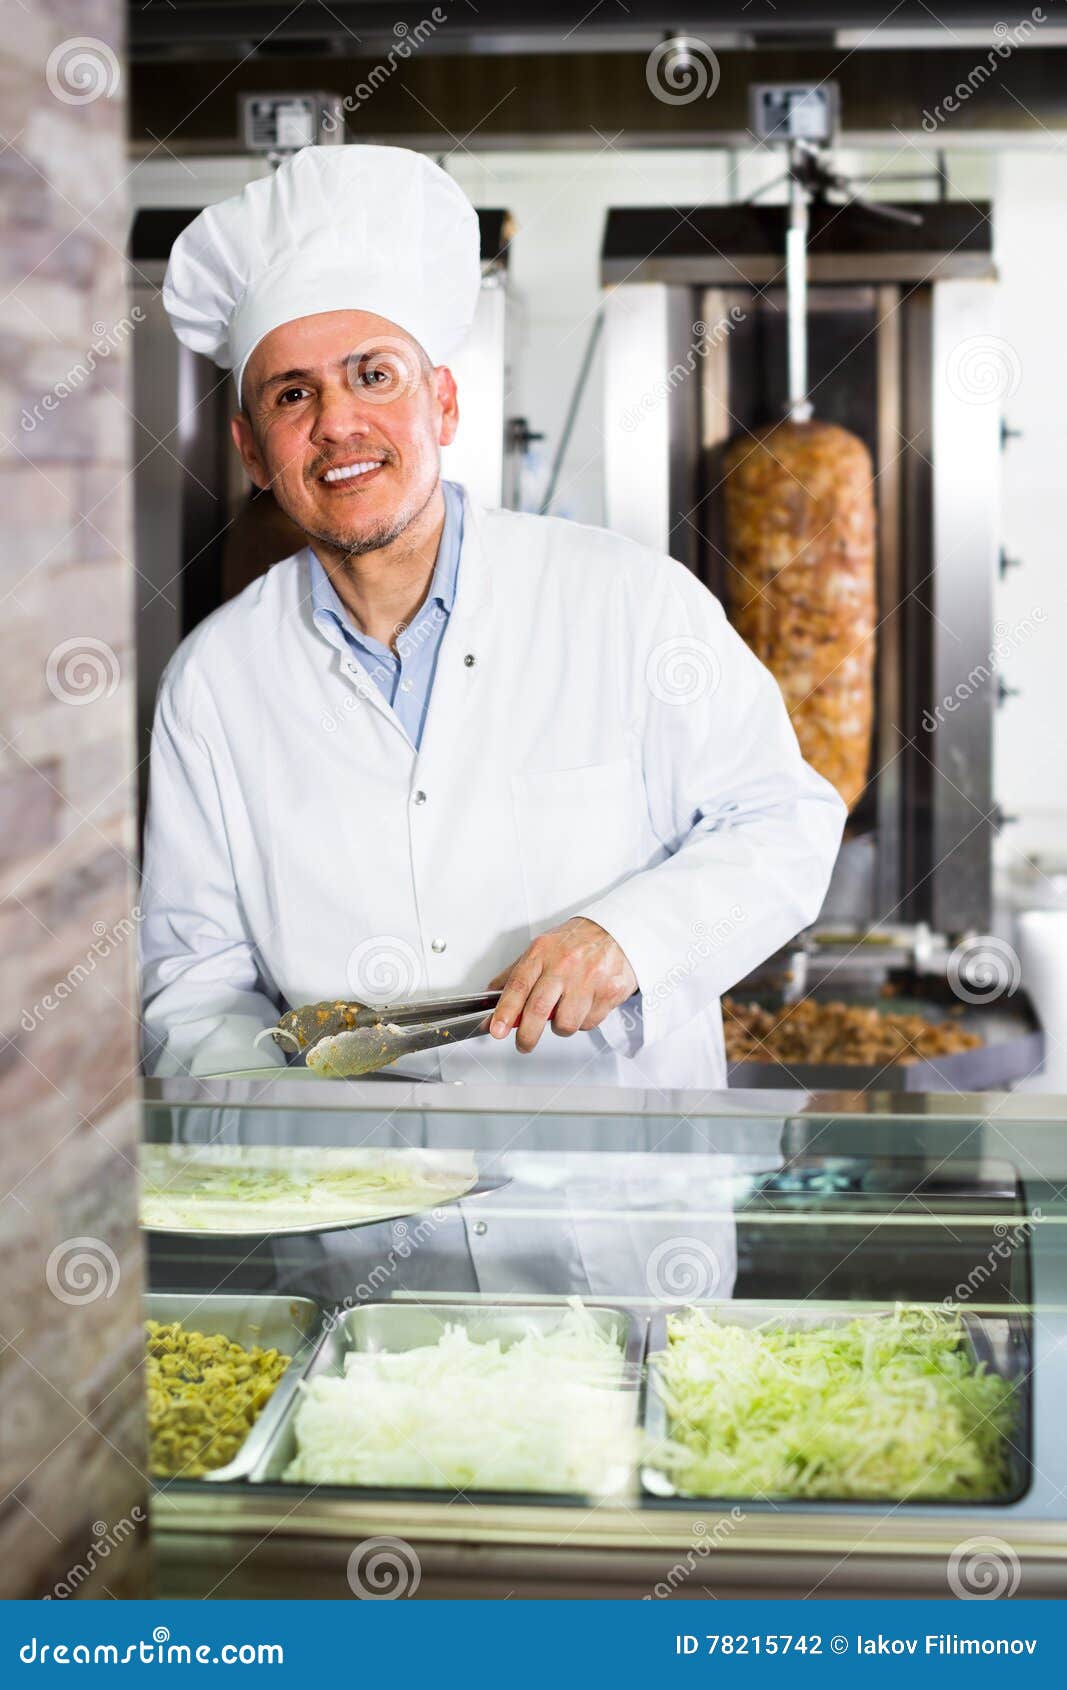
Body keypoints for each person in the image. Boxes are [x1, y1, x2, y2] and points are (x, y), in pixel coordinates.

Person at [141, 144, 845, 1087]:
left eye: (374, 375)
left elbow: (782, 822)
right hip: (349, 1174)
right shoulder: (214, 681)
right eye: (293, 394)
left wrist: (630, 939)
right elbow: (195, 982)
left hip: (615, 1172)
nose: (338, 422)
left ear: (442, 403)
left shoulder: (626, 601)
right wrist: (278, 1128)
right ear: (253, 452)